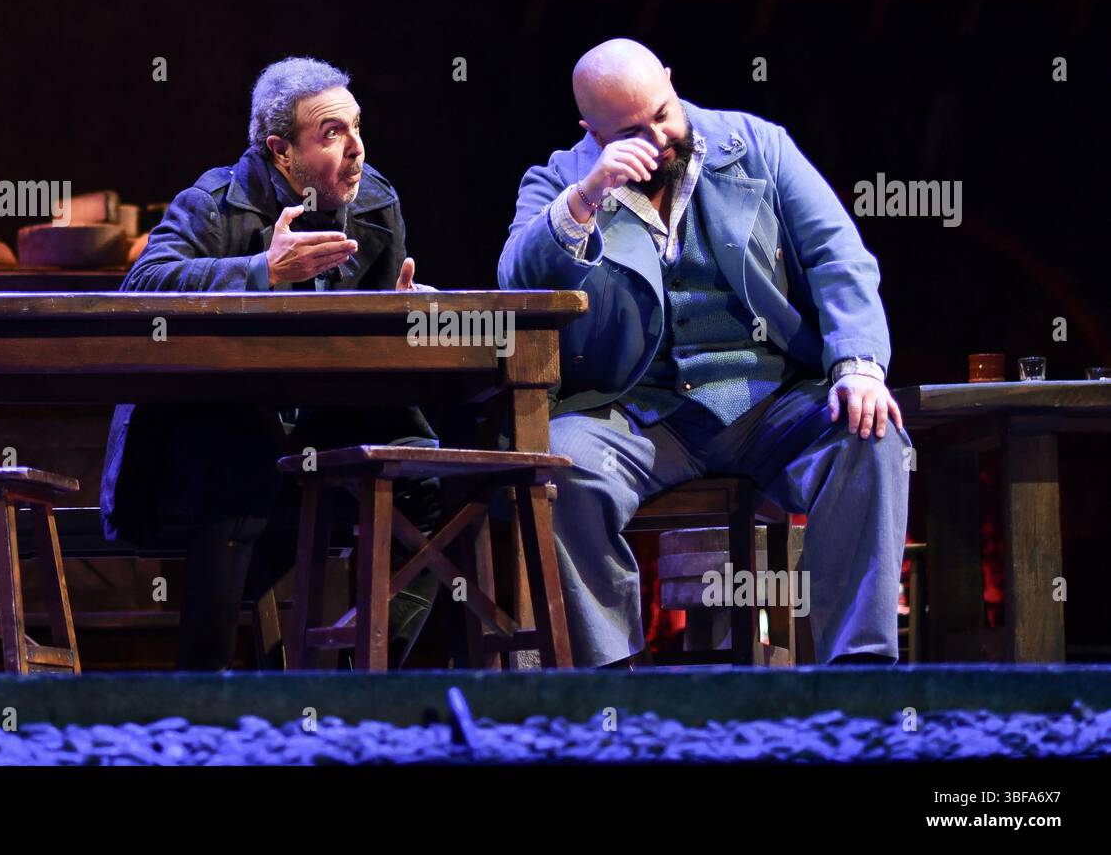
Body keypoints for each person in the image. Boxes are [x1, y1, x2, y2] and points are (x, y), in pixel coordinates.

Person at [499, 38, 912, 668]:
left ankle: (860, 673)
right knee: (558, 469)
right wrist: (587, 196)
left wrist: (857, 367)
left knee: (870, 435)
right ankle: (611, 682)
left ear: (670, 78)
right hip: (637, 413)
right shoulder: (561, 180)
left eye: (663, 113)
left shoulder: (757, 146)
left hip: (768, 403)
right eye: (631, 130)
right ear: (591, 129)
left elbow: (838, 256)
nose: (659, 137)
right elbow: (515, 282)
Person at [102, 56, 439, 669]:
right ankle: (202, 694)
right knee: (236, 471)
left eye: (358, 128)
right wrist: (263, 271)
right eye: (332, 134)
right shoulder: (215, 202)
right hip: (228, 418)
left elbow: (382, 322)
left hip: (334, 413)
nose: (357, 149)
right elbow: (143, 285)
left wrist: (406, 311)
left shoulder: (375, 201)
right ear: (281, 150)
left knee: (431, 481)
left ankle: (370, 678)